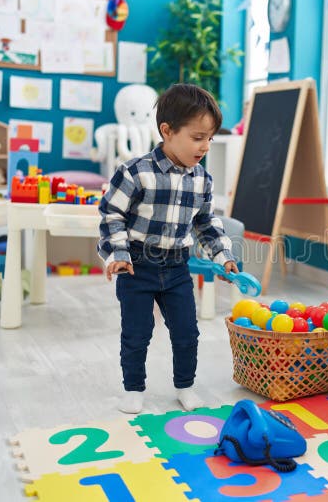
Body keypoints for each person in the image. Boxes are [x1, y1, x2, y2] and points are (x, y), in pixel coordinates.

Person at [98, 84, 238, 414]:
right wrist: (118, 254)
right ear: (167, 131)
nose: (205, 146)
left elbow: (206, 222)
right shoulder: (135, 172)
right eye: (197, 137)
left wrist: (223, 257)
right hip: (137, 265)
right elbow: (111, 214)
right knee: (137, 333)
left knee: (187, 332)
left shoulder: (202, 179)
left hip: (176, 267)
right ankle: (133, 389)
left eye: (209, 138)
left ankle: (185, 386)